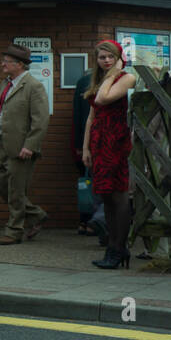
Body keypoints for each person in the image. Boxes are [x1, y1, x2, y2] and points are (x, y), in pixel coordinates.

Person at [0, 42, 50, 245]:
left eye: (7, 61)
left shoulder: (34, 86)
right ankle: (36, 215)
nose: (3, 64)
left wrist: (30, 146)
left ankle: (14, 231)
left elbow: (40, 120)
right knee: (1, 186)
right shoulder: (5, 84)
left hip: (20, 147)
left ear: (20, 64)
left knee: (16, 190)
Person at [82, 40, 137, 269]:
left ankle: (119, 248)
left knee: (118, 195)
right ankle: (111, 248)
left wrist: (113, 72)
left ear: (118, 58)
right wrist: (85, 148)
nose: (105, 61)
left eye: (110, 57)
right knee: (105, 196)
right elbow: (91, 117)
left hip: (116, 142)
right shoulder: (99, 80)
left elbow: (104, 99)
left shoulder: (126, 77)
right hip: (99, 142)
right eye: (102, 57)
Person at [71, 68, 95, 233]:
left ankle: (84, 222)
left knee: (86, 182)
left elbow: (77, 117)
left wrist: (80, 146)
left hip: (81, 145)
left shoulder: (82, 83)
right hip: (98, 144)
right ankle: (94, 223)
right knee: (98, 185)